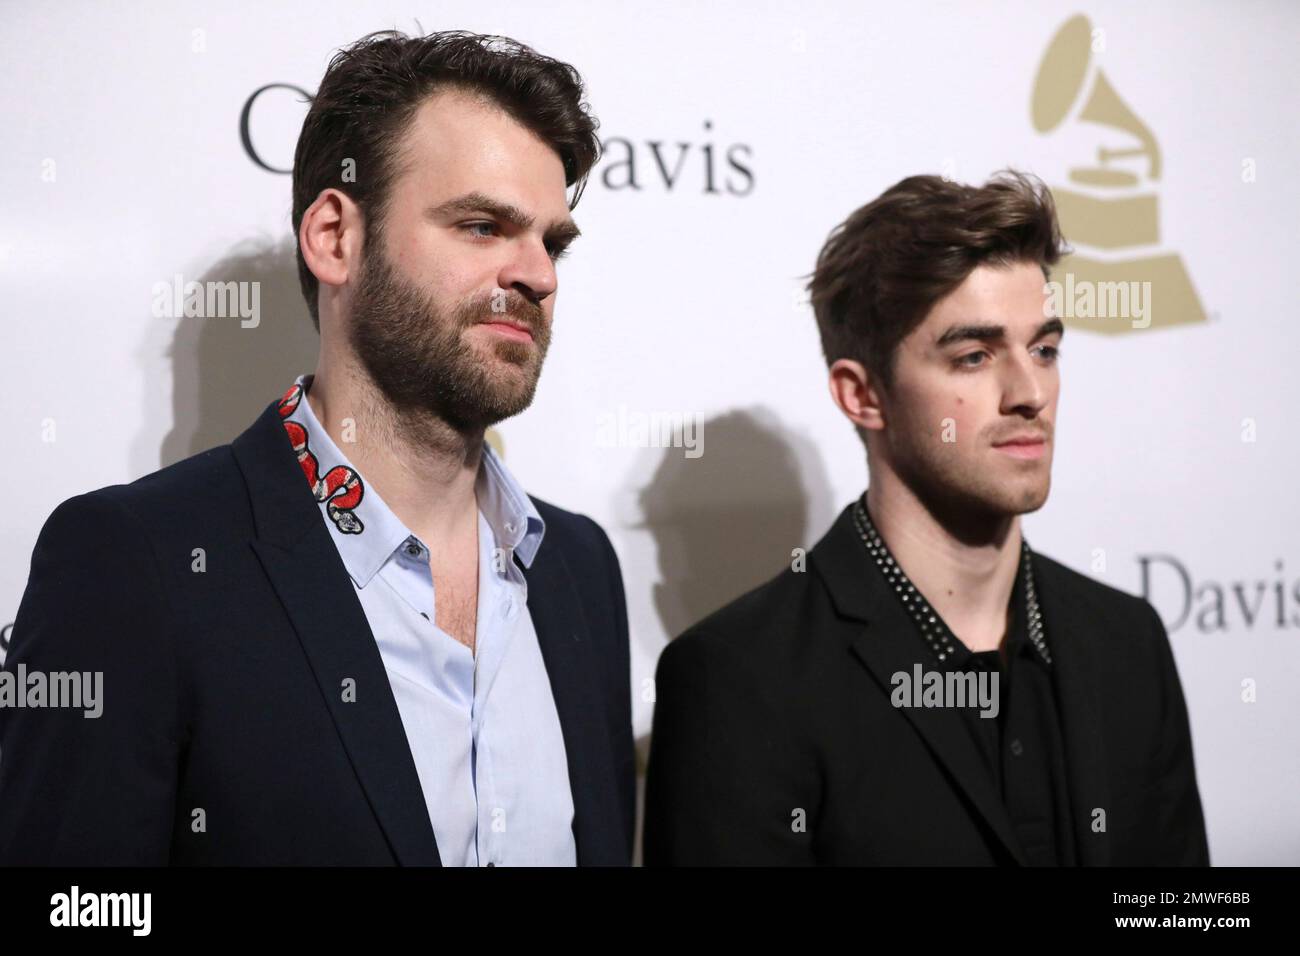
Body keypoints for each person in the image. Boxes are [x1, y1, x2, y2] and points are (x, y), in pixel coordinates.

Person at [0, 30, 634, 866]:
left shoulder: (579, 568)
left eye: (551, 242)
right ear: (335, 238)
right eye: (483, 226)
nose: (539, 275)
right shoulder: (136, 564)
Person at [643, 171, 1210, 866]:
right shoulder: (739, 681)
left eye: (1045, 350)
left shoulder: (1126, 642)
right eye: (974, 356)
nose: (1030, 393)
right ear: (863, 395)